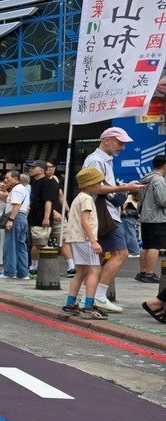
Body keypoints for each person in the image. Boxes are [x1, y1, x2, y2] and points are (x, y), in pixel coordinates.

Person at [82, 127, 144, 313]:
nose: (122, 147)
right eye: (119, 142)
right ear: (107, 140)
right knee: (121, 254)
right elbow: (95, 187)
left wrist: (121, 187)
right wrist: (121, 189)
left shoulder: (104, 160)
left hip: (104, 213)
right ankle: (99, 296)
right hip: (105, 214)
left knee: (96, 258)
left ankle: (89, 297)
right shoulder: (96, 160)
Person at [61, 168, 110, 320]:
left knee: (81, 270)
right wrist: (94, 241)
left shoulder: (78, 197)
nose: (100, 186)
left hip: (76, 238)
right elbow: (85, 221)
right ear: (89, 185)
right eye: (98, 183)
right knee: (95, 271)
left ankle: (70, 303)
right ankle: (88, 306)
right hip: (85, 239)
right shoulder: (87, 199)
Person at [137, 155, 166, 285]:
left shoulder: (145, 179)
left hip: (145, 217)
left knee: (146, 246)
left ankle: (142, 272)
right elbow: (162, 200)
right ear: (165, 166)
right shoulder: (159, 180)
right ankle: (150, 273)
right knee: (155, 246)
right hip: (156, 218)